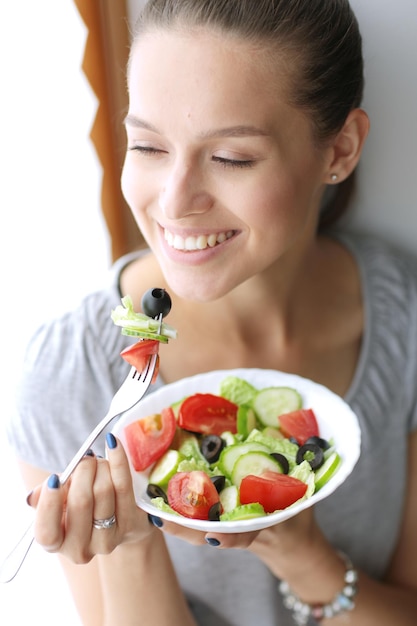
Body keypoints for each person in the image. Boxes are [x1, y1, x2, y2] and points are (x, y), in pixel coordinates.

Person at [6, 0, 417, 624]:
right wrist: (133, 543)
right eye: (147, 146)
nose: (174, 203)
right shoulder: (72, 376)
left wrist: (306, 556)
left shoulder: (404, 324)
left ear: (339, 149)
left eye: (231, 158)